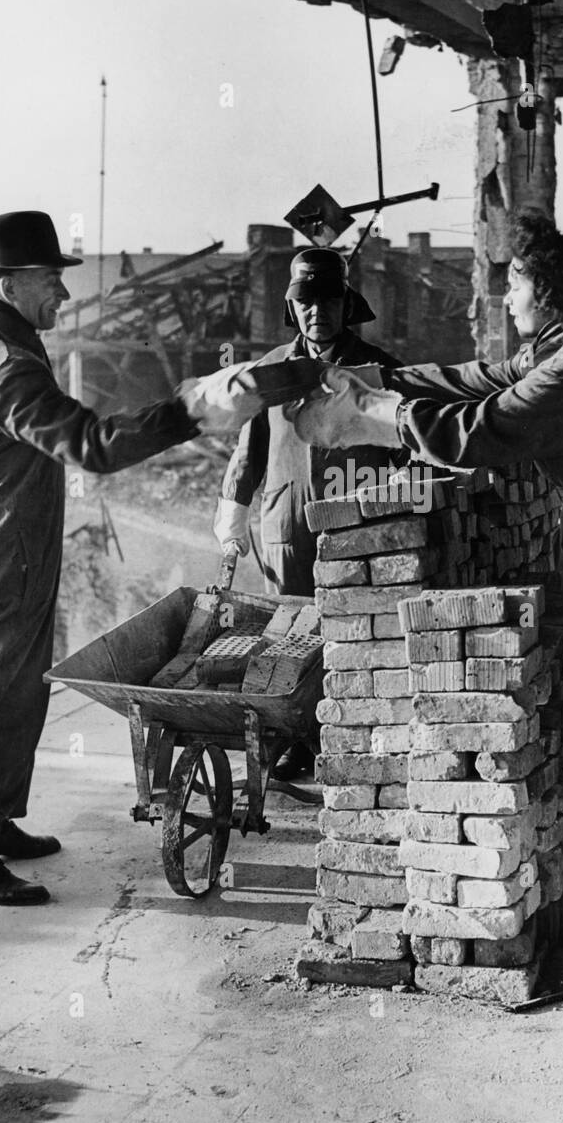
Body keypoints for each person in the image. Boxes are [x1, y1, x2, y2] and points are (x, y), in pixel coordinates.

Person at [286, 212, 563, 948]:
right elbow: (470, 378)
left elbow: (479, 428)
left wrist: (369, 413)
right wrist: (368, 375)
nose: (507, 298)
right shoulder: (555, 353)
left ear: (544, 295)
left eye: (515, 285)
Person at [0, 211, 262, 907]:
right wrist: (190, 409)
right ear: (11, 283)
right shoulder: (5, 363)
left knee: (17, 693)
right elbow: (92, 446)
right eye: (51, 280)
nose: (64, 296)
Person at [213, 246, 402, 780]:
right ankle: (299, 738)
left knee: (355, 630)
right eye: (305, 302)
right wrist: (233, 517)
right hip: (286, 530)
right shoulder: (270, 370)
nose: (316, 311)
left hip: (359, 527)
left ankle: (353, 738)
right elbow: (247, 452)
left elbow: (407, 448)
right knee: (295, 636)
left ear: (347, 305)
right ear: (291, 308)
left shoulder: (380, 370)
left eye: (327, 300)